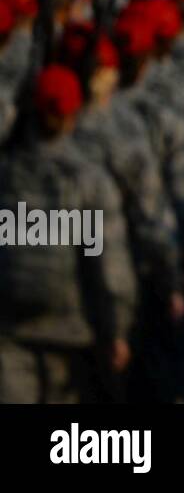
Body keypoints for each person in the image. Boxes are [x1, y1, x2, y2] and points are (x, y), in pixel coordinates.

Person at [0, 66, 136, 403]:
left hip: (10, 331)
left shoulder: (6, 173)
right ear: (75, 113)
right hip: (71, 330)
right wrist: (116, 329)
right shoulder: (88, 181)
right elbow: (108, 263)